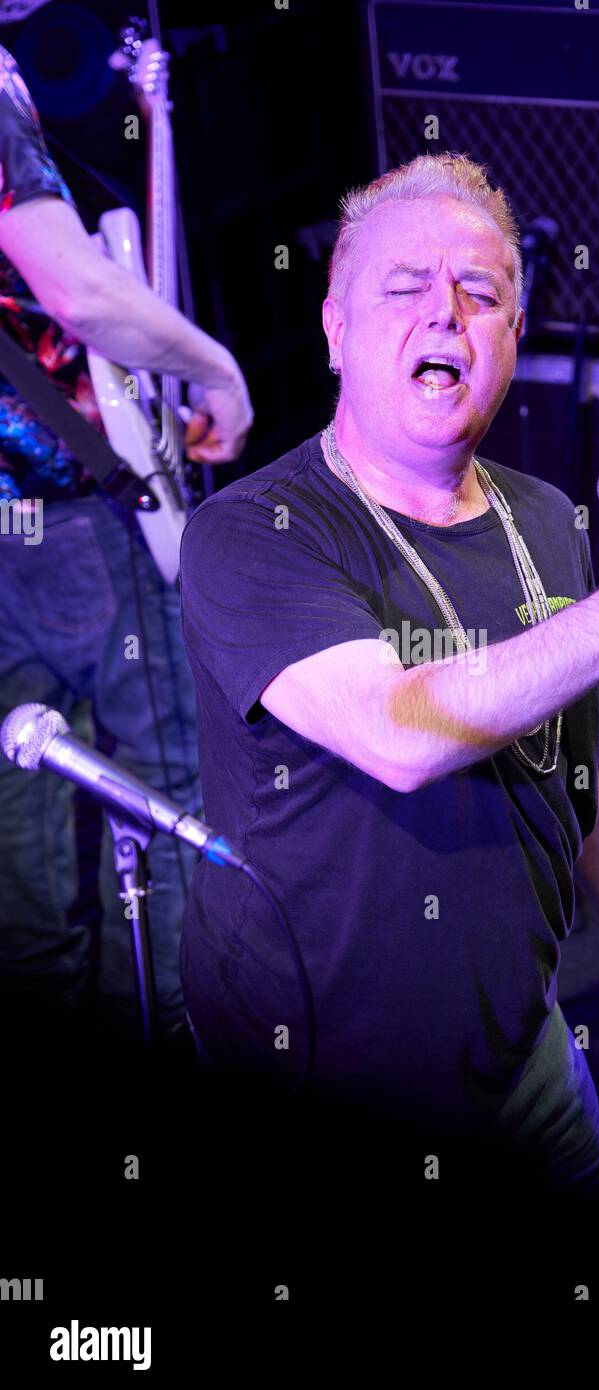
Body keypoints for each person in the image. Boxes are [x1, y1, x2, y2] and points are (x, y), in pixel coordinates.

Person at [177, 152, 599, 1204]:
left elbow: (567, 765)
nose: (443, 312)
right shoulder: (253, 532)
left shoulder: (542, 516)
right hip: (322, 1067)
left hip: (523, 1056)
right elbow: (397, 732)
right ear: (334, 327)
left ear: (511, 337)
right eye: (402, 288)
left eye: (479, 293)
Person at [0, 21, 253, 1041]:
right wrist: (213, 367)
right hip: (67, 520)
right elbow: (81, 292)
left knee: (18, 835)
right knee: (164, 798)